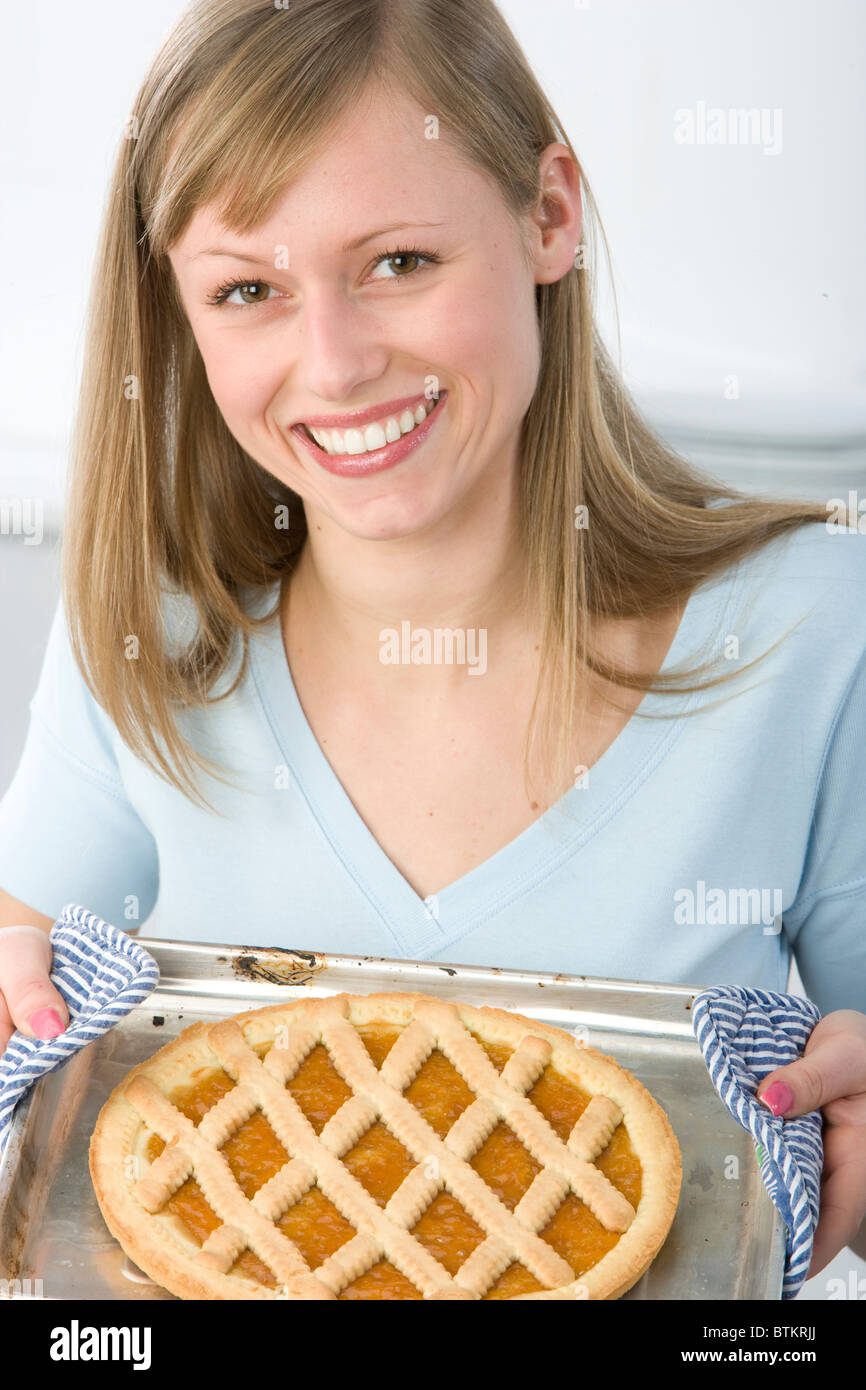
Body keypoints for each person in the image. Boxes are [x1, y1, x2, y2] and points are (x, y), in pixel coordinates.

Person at [0, 0, 863, 1282]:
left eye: (398, 261)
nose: (335, 363)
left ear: (547, 216)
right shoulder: (149, 632)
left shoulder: (814, 624)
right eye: (248, 289)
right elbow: (35, 989)